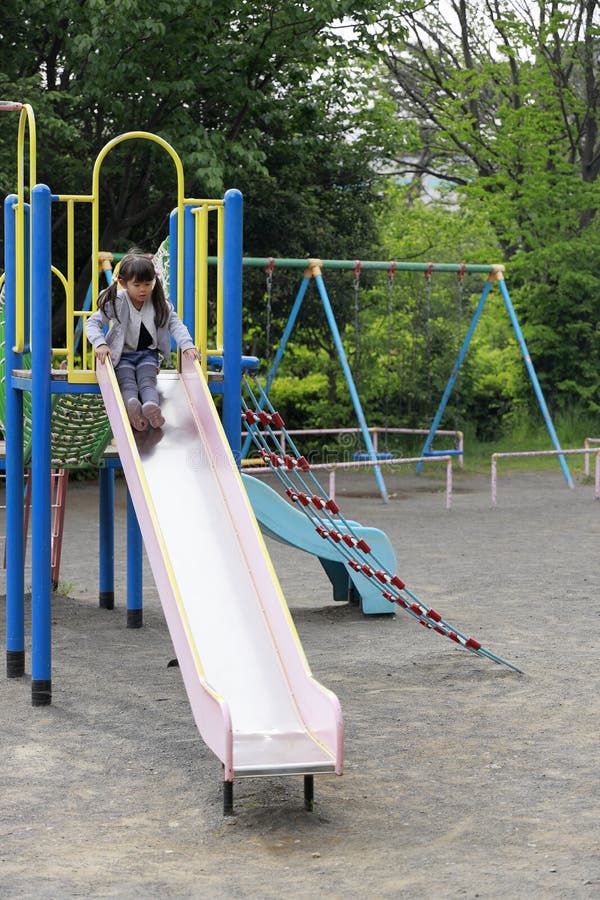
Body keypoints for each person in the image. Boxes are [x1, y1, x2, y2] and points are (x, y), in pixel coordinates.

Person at [86, 250, 200, 430]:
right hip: (122, 356)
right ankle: (133, 409)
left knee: (147, 381)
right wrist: (100, 343)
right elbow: (93, 323)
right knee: (127, 382)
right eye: (137, 284)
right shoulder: (117, 301)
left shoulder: (158, 301)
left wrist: (187, 345)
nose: (143, 289)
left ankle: (151, 409)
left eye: (148, 284)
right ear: (123, 283)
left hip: (148, 354)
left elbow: (175, 324)